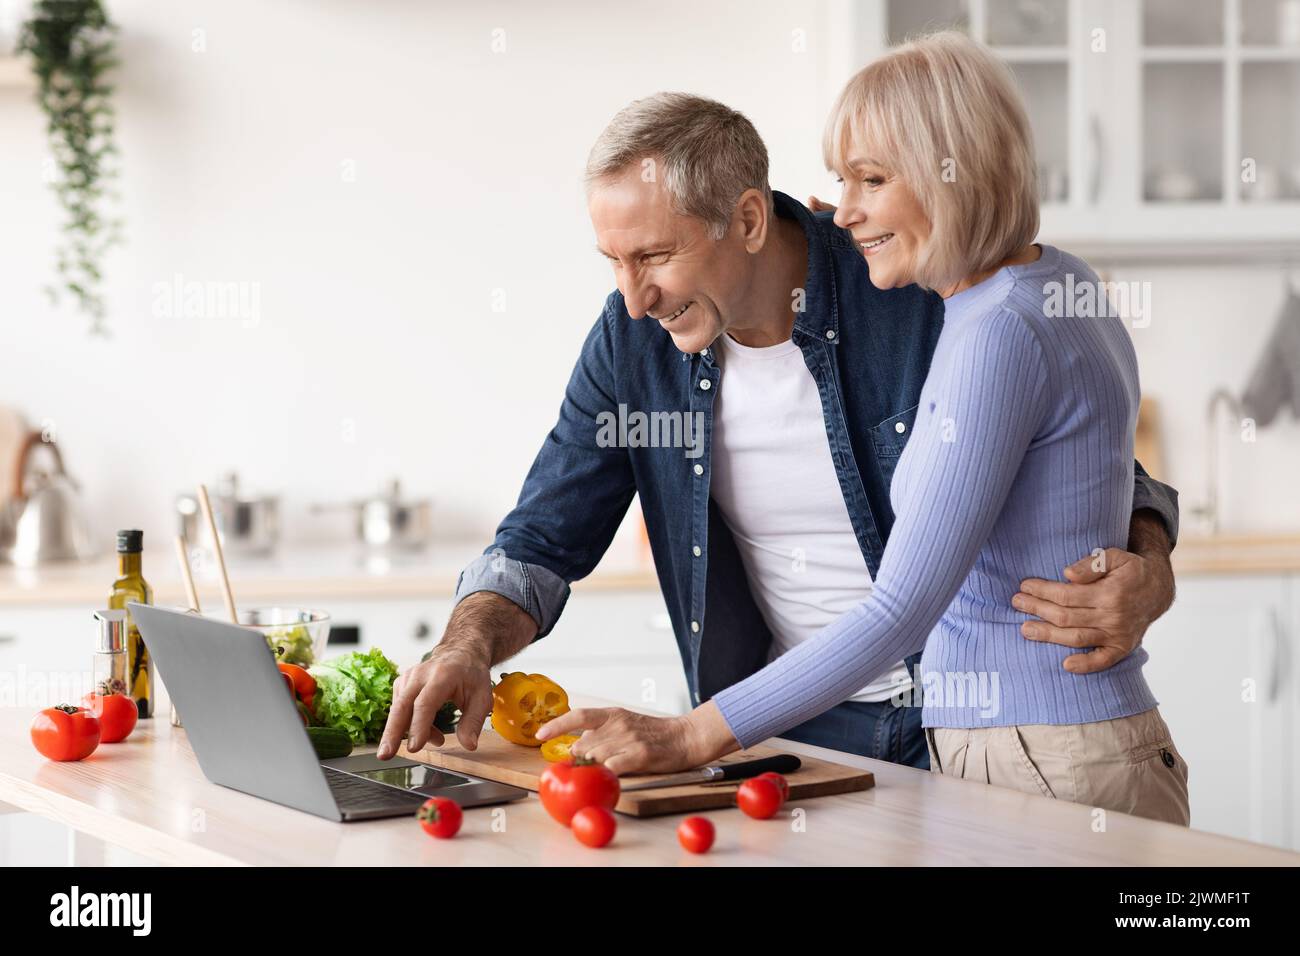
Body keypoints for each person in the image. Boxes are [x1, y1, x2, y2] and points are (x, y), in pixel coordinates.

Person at [378, 86, 1181, 802]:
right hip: (777, 730)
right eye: (615, 263)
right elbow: (542, 540)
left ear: (750, 220)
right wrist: (466, 644)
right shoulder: (633, 345)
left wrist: (1148, 561)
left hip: (952, 718)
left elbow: (1079, 453)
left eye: (656, 255)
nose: (633, 297)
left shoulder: (908, 281)